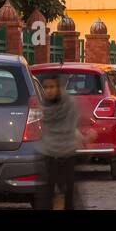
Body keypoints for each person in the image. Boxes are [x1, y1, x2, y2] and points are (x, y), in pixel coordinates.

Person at [36, 73, 81, 210]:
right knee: (45, 196)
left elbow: (71, 128)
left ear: (58, 87)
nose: (48, 90)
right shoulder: (42, 104)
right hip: (47, 154)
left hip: (67, 154)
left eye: (52, 87)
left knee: (68, 195)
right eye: (46, 87)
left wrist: (83, 138)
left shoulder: (69, 104)